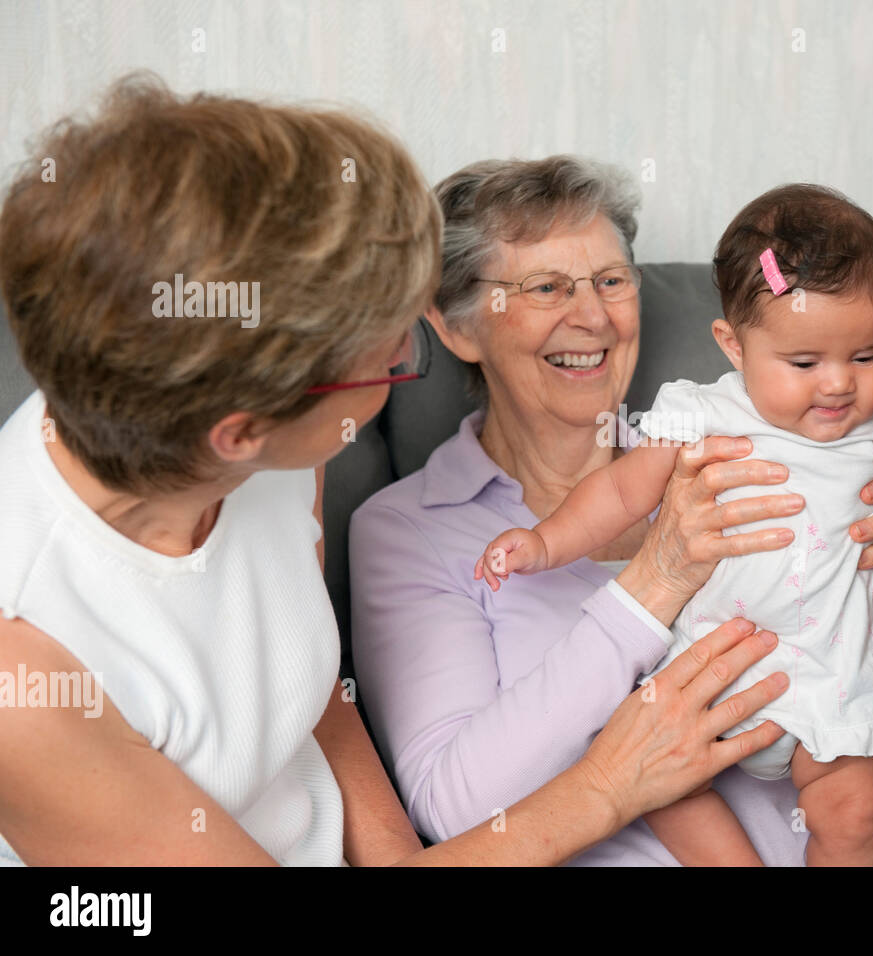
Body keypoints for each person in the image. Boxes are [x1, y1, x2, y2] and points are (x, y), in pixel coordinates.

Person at [0, 75, 799, 867]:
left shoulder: (269, 462)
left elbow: (307, 692)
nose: (400, 366)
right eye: (384, 358)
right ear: (240, 432)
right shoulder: (23, 679)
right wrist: (607, 787)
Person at [349, 158, 873, 866]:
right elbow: (456, 809)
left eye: (611, 282)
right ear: (460, 327)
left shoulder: (790, 445)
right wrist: (657, 579)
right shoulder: (414, 527)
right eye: (546, 287)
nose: (591, 316)